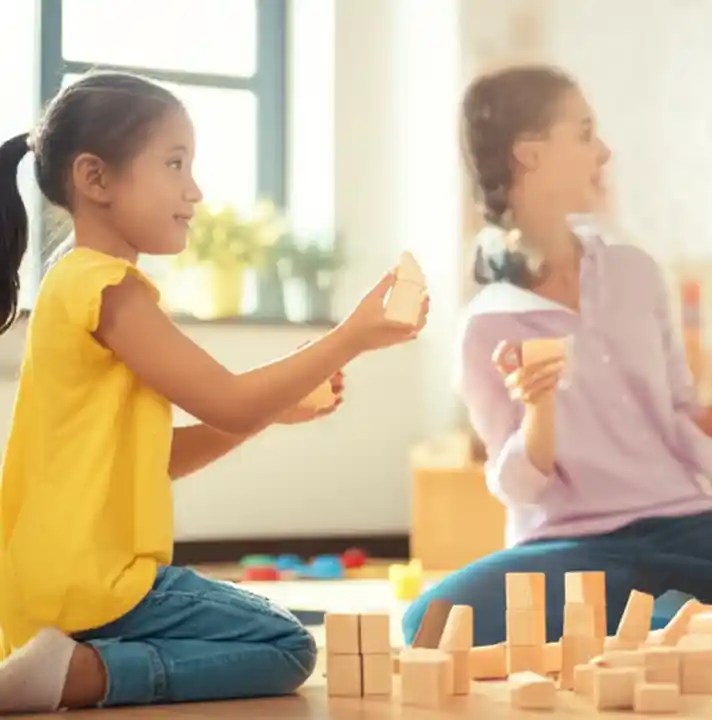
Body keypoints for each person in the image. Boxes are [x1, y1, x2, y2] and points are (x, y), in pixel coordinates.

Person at [0, 72, 427, 713]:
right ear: (96, 179)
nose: (194, 190)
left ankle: (67, 664)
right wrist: (352, 337)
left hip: (51, 582)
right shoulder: (108, 289)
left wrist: (270, 413)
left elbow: (160, 458)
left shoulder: (73, 283)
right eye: (175, 164)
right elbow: (227, 398)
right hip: (95, 583)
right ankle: (79, 675)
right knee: (286, 645)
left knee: (263, 631)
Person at [402, 64, 712, 646]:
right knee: (433, 622)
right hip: (569, 547)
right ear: (530, 155)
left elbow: (680, 413)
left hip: (688, 525)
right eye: (582, 133)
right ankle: (671, 619)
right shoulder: (487, 324)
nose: (602, 151)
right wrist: (539, 409)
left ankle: (654, 621)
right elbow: (518, 487)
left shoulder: (635, 273)